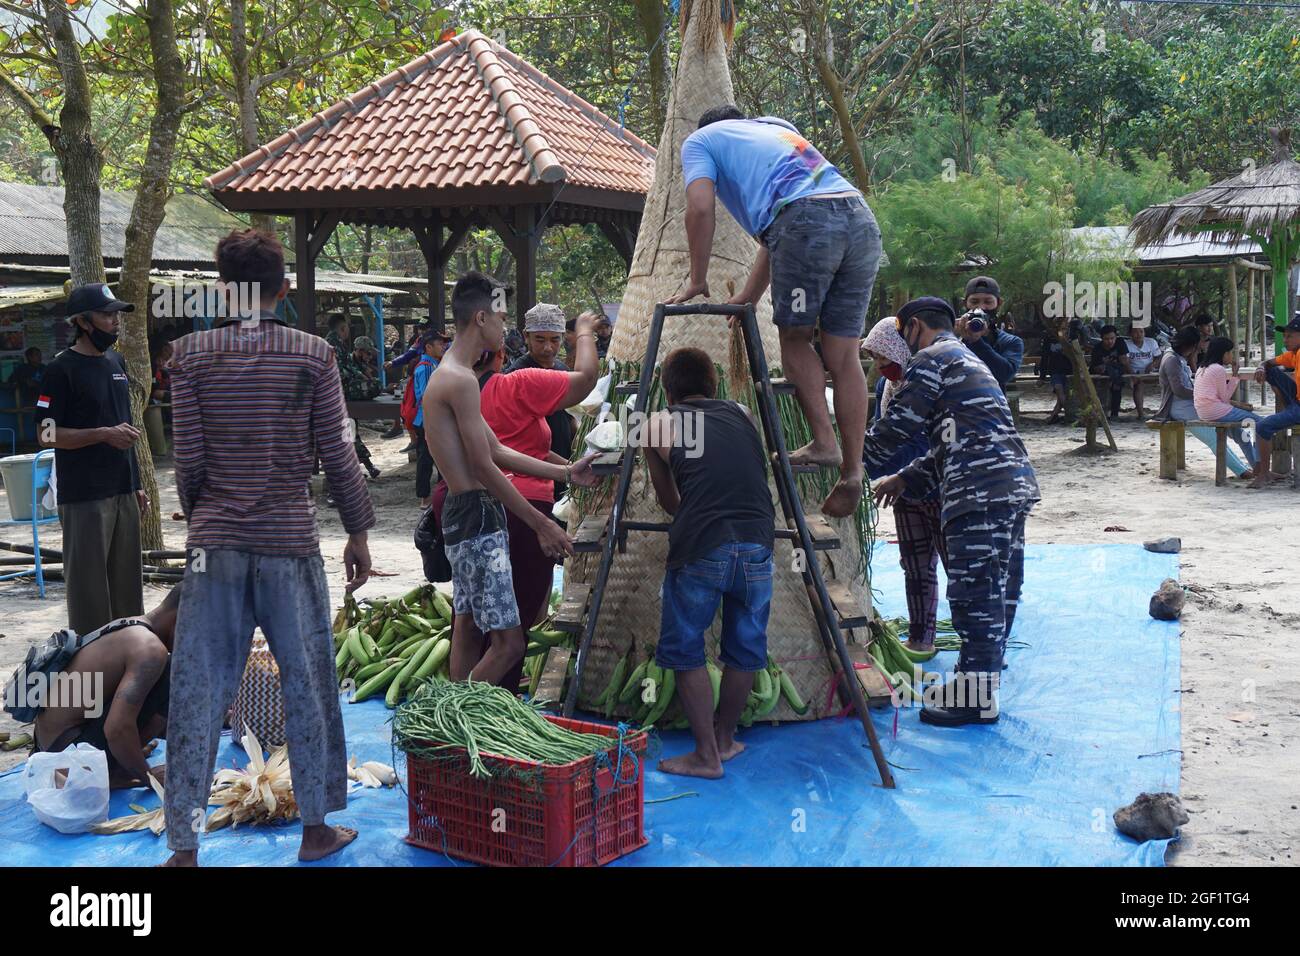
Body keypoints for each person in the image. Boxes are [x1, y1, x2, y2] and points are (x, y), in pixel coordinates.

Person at [162, 229, 374, 866]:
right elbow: (338, 452)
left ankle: (183, 847)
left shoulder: (189, 357)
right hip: (289, 542)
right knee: (308, 686)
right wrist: (359, 529)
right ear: (283, 288)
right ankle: (315, 831)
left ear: (225, 289)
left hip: (214, 547)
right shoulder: (312, 356)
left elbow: (190, 464)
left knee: (198, 692)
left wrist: (211, 519)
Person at [667, 104, 882, 519]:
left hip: (806, 224)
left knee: (795, 337)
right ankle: (853, 471)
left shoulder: (701, 141)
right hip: (858, 220)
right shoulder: (778, 129)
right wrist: (748, 294)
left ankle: (824, 441)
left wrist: (697, 277)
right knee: (844, 355)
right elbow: (776, 232)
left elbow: (699, 208)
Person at [864, 297, 1039, 727]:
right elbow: (956, 439)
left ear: (913, 326)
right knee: (999, 591)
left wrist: (848, 466)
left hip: (976, 491)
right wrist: (906, 479)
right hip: (1011, 484)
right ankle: (979, 687)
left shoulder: (929, 358)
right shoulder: (968, 359)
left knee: (976, 597)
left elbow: (896, 429)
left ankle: (974, 698)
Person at [421, 272, 598, 688]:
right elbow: (485, 467)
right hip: (478, 514)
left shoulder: (450, 373)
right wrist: (541, 523)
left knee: (466, 626)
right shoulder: (461, 380)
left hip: (460, 513)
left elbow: (497, 450)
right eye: (501, 319)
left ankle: (457, 733)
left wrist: (564, 472)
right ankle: (460, 717)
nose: (505, 329)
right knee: (509, 645)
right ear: (481, 318)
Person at [642, 347, 774, 779]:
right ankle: (724, 740)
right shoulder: (741, 412)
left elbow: (668, 502)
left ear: (666, 390)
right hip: (758, 542)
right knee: (745, 647)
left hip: (702, 544)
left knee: (684, 648)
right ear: (714, 386)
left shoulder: (657, 424)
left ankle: (704, 756)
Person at [37, 283, 146, 635]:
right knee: (90, 598)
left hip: (124, 492)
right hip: (85, 498)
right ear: (83, 322)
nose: (115, 322)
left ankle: (130, 666)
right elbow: (46, 434)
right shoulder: (60, 370)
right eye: (107, 314)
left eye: (117, 314)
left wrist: (137, 485)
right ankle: (92, 671)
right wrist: (101, 434)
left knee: (128, 595)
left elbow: (124, 425)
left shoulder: (116, 362)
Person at [21, 586, 181, 790]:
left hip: (48, 745)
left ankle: (121, 760)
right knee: (171, 673)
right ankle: (112, 773)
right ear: (182, 620)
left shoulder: (129, 627)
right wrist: (149, 778)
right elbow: (116, 729)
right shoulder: (151, 649)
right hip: (67, 756)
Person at [862, 317, 946, 652]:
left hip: (938, 487)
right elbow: (881, 430)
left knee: (960, 567)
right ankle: (921, 637)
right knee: (915, 565)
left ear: (901, 348)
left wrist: (859, 469)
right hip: (904, 492)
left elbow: (917, 440)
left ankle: (980, 652)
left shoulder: (927, 382)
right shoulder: (886, 387)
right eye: (875, 359)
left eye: (884, 356)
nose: (881, 365)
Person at [508, 303, 585, 498]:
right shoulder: (516, 375)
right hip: (532, 471)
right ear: (526, 336)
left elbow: (569, 416)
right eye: (540, 339)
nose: (548, 347)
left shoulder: (562, 370)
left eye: (554, 340)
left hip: (565, 464)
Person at [1153, 327, 1251, 478]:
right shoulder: (1171, 360)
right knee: (1213, 437)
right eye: (1195, 346)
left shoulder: (1178, 357)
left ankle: (1253, 465)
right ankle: (1241, 471)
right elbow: (1178, 390)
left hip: (1194, 404)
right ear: (1188, 345)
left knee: (1236, 430)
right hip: (1180, 408)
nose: (1197, 350)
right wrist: (1201, 394)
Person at [1193, 336, 1263, 477]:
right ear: (1223, 354)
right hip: (1217, 411)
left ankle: (1256, 467)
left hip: (1203, 411)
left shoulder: (1202, 367)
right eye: (1230, 352)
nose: (1231, 355)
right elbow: (1224, 398)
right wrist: (1235, 376)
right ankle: (1260, 465)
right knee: (1260, 423)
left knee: (1242, 435)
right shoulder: (1218, 369)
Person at [1251, 316, 1300, 484]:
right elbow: (1268, 363)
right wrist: (1260, 367)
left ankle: (1264, 474)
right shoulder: (1294, 354)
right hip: (1296, 401)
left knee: (1263, 426)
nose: (1285, 340)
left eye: (1290, 336)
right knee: (1271, 371)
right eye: (1284, 336)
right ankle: (1289, 410)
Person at [956, 275, 1024, 390]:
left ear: (999, 303)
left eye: (988, 302)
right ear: (965, 304)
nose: (981, 307)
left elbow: (1005, 374)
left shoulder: (1011, 342)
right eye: (974, 302)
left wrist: (976, 342)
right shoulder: (953, 338)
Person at [411, 331, 449, 506]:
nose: (443, 347)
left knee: (439, 457)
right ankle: (425, 497)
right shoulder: (426, 367)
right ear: (428, 347)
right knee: (426, 458)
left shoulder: (434, 364)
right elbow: (427, 396)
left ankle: (440, 493)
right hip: (428, 420)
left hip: (433, 419)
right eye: (440, 344)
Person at [1089, 324, 1131, 420]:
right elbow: (1097, 367)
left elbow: (1124, 361)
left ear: (1116, 337)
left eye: (1112, 338)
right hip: (1102, 373)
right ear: (1102, 338)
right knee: (1114, 380)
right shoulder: (1097, 349)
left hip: (1116, 371)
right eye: (1106, 339)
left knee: (1116, 381)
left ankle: (1114, 414)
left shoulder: (1120, 342)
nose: (1110, 341)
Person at [1125, 323, 1162, 419]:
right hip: (1134, 372)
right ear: (1130, 334)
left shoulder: (1151, 342)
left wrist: (1152, 365)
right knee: (1139, 383)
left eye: (1141, 331)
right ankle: (1141, 413)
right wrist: (1132, 374)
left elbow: (1158, 357)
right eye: (1135, 332)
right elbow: (1126, 362)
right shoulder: (1126, 344)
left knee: (1167, 381)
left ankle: (1164, 411)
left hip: (1150, 372)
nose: (1139, 334)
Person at [150, 339, 173, 404]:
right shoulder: (152, 366)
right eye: (169, 354)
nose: (170, 356)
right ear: (164, 350)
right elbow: (153, 391)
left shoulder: (165, 369)